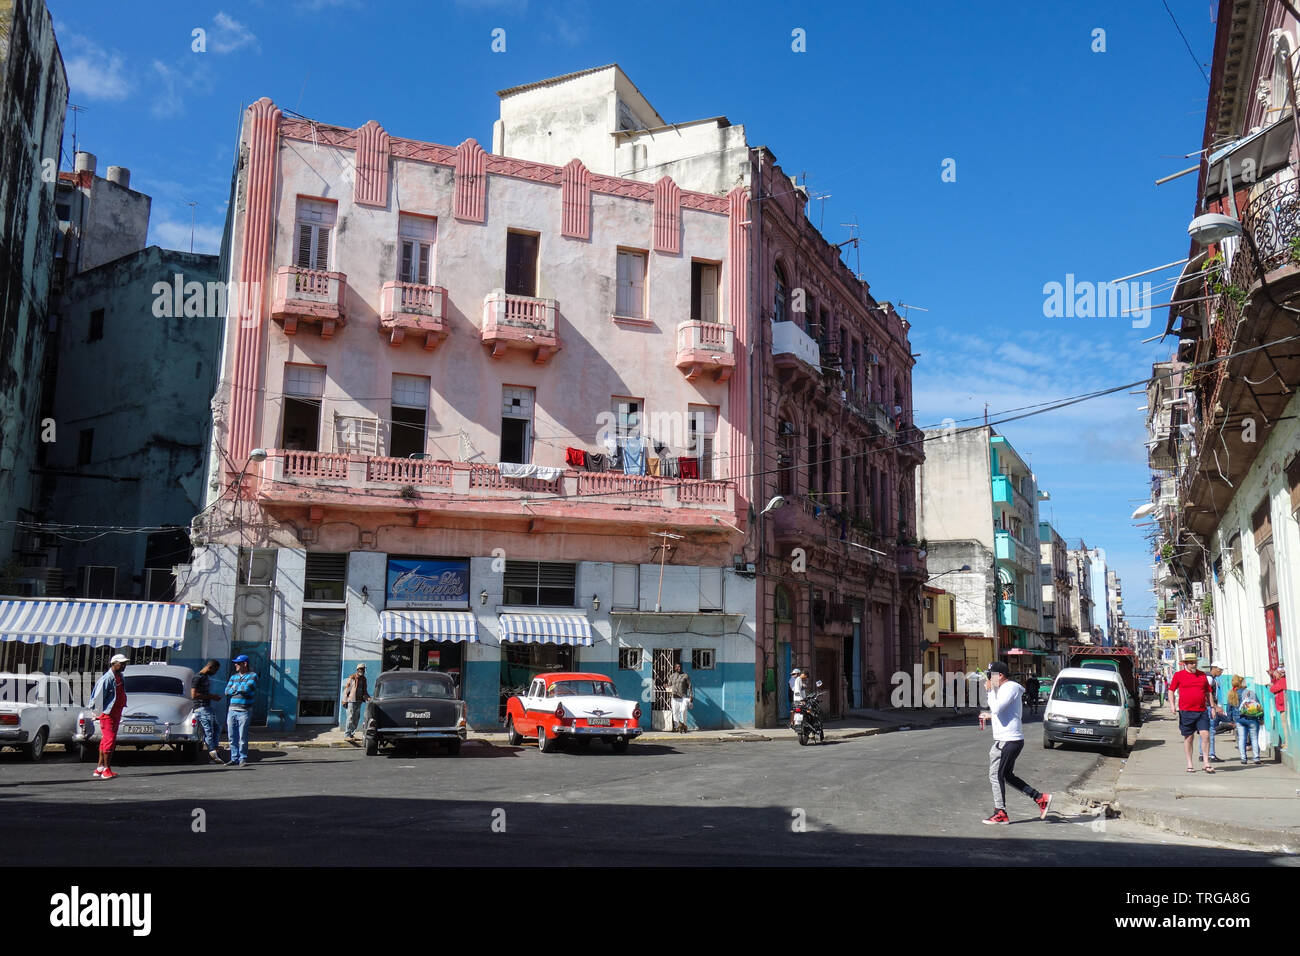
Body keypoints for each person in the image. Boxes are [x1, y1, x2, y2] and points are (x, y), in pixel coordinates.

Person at [979, 662, 1051, 824]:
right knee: (1006, 776)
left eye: (991, 675)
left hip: (1008, 740)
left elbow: (997, 708)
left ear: (1001, 676)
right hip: (1008, 740)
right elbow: (1006, 712)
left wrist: (990, 691)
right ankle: (1040, 798)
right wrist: (988, 716)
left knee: (996, 775)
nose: (989, 678)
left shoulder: (1009, 687)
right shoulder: (1005, 689)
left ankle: (1000, 812)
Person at [1168, 652, 1214, 773]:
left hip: (1202, 711)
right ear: (1185, 664)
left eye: (1195, 662)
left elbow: (1208, 692)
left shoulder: (1202, 675)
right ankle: (1189, 763)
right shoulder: (1179, 675)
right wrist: (1172, 705)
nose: (1194, 665)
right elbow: (1171, 690)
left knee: (1206, 735)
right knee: (1189, 738)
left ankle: (1206, 762)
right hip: (1186, 711)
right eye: (1191, 663)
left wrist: (1213, 707)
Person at [87, 654, 130, 779]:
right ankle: (106, 769)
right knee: (109, 741)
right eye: (121, 663)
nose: (124, 666)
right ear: (113, 663)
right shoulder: (107, 679)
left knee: (105, 741)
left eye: (124, 663)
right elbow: (98, 697)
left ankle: (99, 768)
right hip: (107, 714)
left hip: (116, 713)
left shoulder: (120, 676)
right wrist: (97, 713)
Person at [225, 654, 258, 767]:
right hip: (232, 710)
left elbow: (247, 689)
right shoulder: (233, 677)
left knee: (242, 736)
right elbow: (226, 691)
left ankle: (242, 758)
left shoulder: (253, 675)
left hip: (244, 711)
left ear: (245, 664)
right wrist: (237, 688)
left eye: (238, 663)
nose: (235, 665)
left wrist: (235, 688)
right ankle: (234, 758)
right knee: (231, 736)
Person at [190, 659, 224, 763]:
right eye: (215, 670)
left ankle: (214, 751)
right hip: (201, 708)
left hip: (207, 707)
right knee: (209, 731)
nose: (215, 673)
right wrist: (212, 697)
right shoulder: (197, 677)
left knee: (216, 728)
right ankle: (212, 753)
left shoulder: (205, 677)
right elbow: (193, 695)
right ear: (210, 667)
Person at [1225, 675, 1264, 765]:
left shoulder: (1232, 694)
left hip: (1239, 720)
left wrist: (1231, 720)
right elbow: (1258, 706)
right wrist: (1261, 718)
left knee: (1242, 738)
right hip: (1252, 719)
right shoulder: (1250, 693)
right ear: (1241, 683)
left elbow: (1229, 709)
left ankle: (1243, 758)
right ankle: (1256, 758)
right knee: (1254, 738)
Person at [1197, 661, 1226, 763]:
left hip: (1207, 707)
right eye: (1220, 670)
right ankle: (1211, 755)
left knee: (1204, 731)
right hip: (1209, 708)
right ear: (1215, 668)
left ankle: (1202, 754)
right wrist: (1214, 706)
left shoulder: (1211, 678)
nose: (1221, 672)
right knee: (1210, 731)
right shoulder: (1209, 678)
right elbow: (1206, 693)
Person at [342, 664, 370, 740]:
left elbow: (364, 691)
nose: (362, 670)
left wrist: (368, 698)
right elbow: (347, 689)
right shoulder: (352, 677)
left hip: (359, 701)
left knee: (356, 718)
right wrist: (344, 700)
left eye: (363, 669)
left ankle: (351, 734)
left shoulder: (364, 679)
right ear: (357, 670)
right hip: (351, 701)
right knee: (350, 717)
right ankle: (347, 735)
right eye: (360, 669)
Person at [666, 662, 692, 734]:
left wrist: (691, 695)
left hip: (683, 697)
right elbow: (669, 685)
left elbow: (689, 686)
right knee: (675, 712)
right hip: (674, 697)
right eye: (678, 667)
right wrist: (666, 686)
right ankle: (677, 726)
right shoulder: (672, 676)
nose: (679, 668)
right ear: (675, 668)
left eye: (680, 667)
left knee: (683, 710)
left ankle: (685, 725)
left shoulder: (685, 676)